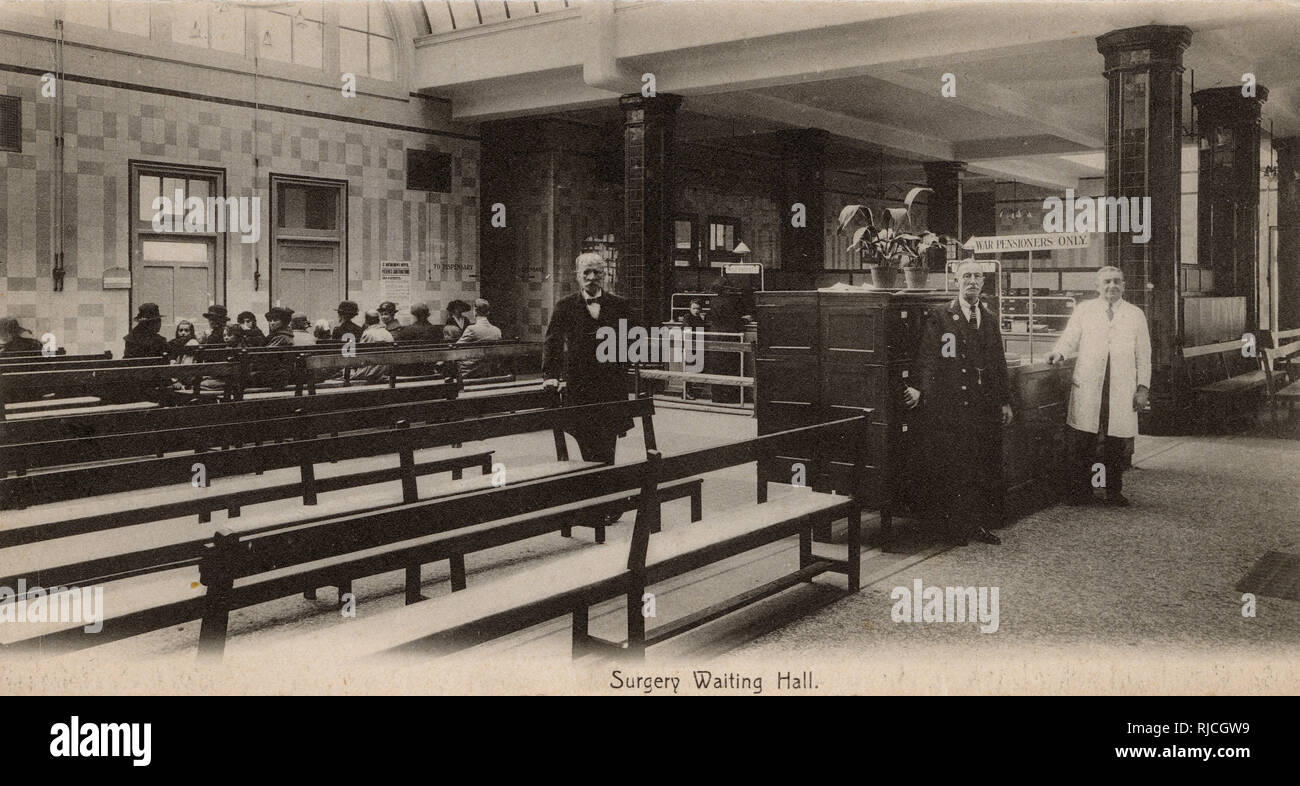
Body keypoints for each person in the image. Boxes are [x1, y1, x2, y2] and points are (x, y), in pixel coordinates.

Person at [905, 258, 1014, 546]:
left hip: (981, 406)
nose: (972, 281)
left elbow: (998, 363)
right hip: (949, 406)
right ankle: (953, 528)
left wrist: (1004, 401)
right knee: (952, 466)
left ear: (983, 283)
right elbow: (928, 357)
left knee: (980, 466)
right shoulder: (941, 316)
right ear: (956, 281)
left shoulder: (989, 318)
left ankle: (977, 524)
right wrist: (918, 388)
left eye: (978, 276)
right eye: (967, 276)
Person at [1046, 265, 1152, 507]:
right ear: (1097, 286)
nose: (1112, 286)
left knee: (1116, 441)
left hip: (1120, 386)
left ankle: (1114, 492)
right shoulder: (1085, 310)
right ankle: (1081, 492)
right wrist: (1058, 353)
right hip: (1090, 384)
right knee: (1084, 439)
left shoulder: (1135, 314)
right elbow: (1069, 337)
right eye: (1107, 282)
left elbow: (1144, 355)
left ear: (1124, 285)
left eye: (1117, 281)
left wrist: (1143, 387)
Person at [542, 252, 636, 463]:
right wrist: (550, 375)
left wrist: (620, 366)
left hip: (610, 386)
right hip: (580, 385)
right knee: (585, 438)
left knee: (608, 441)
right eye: (586, 272)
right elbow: (552, 341)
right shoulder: (564, 306)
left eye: (597, 272)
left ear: (605, 275)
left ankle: (603, 485)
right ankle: (594, 484)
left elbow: (630, 341)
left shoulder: (620, 305)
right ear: (577, 275)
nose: (592, 277)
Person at [455, 298, 503, 379]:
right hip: (489, 370)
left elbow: (456, 347)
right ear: (488, 312)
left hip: (470, 370)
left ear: (475, 311)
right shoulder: (497, 330)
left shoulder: (471, 329)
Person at [352, 310, 394, 383]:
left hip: (370, 371)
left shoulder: (368, 333)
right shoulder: (387, 333)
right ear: (378, 320)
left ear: (366, 321)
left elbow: (360, 356)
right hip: (384, 371)